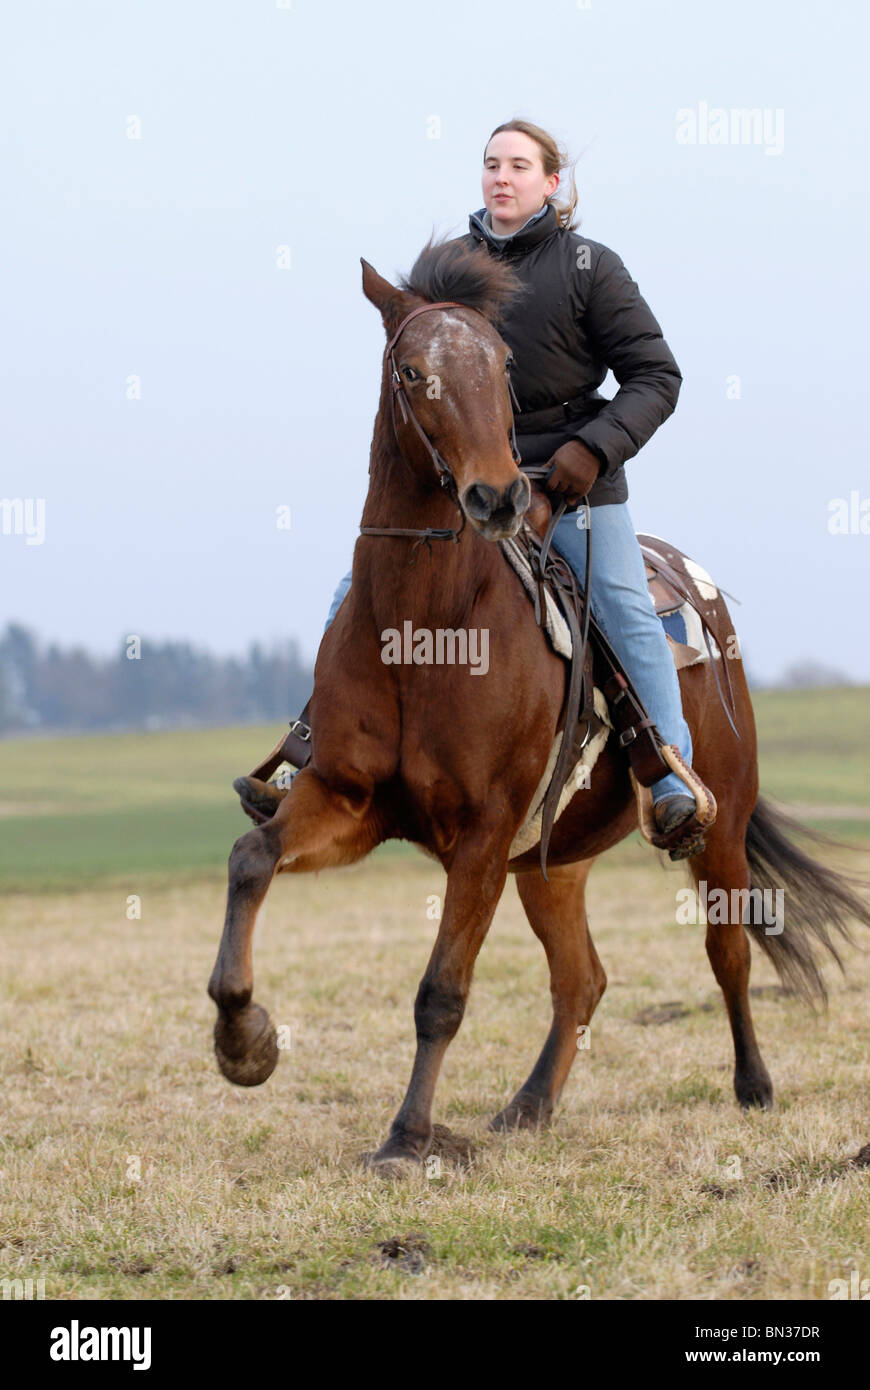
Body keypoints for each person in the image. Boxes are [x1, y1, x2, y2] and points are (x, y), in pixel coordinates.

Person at [243, 119, 705, 843]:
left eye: (520, 165)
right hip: (467, 485)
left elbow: (658, 376)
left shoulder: (592, 266)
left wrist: (593, 450)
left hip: (575, 483)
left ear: (551, 182)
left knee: (622, 604)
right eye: (491, 164)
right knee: (355, 593)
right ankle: (307, 753)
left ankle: (672, 774)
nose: (501, 177)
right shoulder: (448, 269)